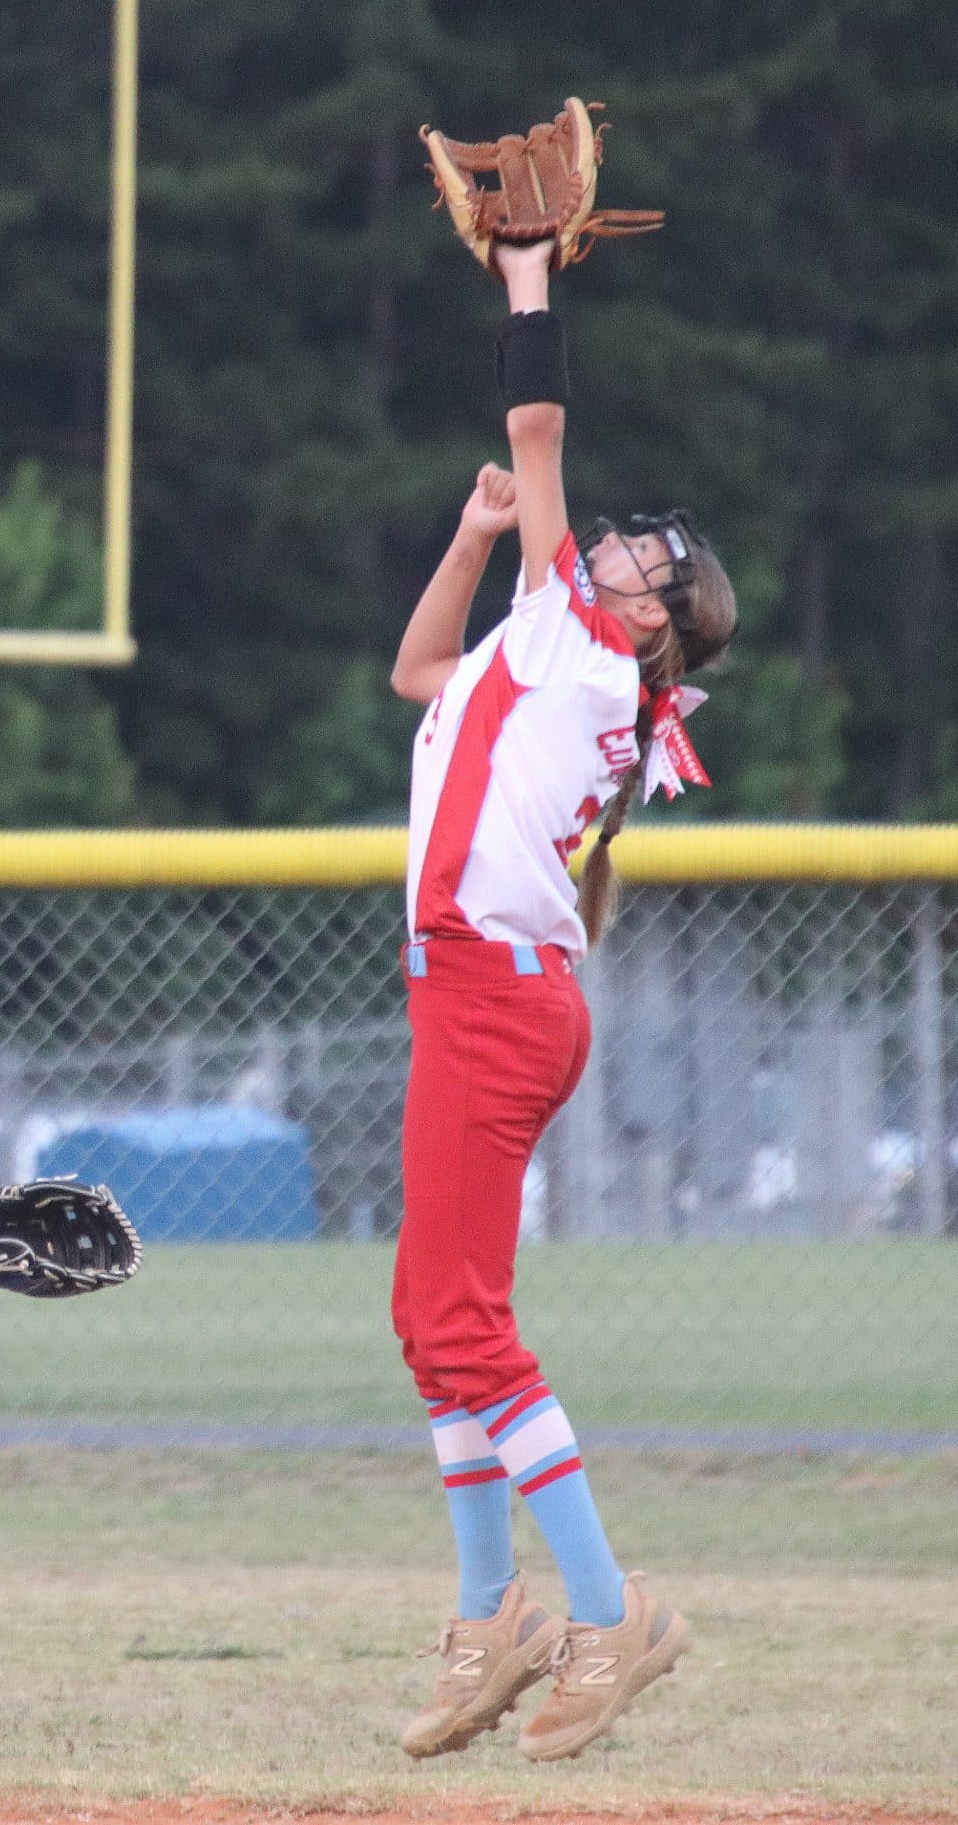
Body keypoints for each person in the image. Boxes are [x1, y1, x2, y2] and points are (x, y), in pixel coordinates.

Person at [385, 240, 738, 1762]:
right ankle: (494, 1618)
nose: (611, 549)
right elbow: (416, 674)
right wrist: (472, 536)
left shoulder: (586, 653)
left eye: (646, 563)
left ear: (656, 623)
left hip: (494, 999)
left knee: (460, 1325)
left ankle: (607, 1611)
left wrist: (527, 282)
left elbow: (539, 429)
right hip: (481, 994)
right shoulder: (541, 651)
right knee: (433, 1321)